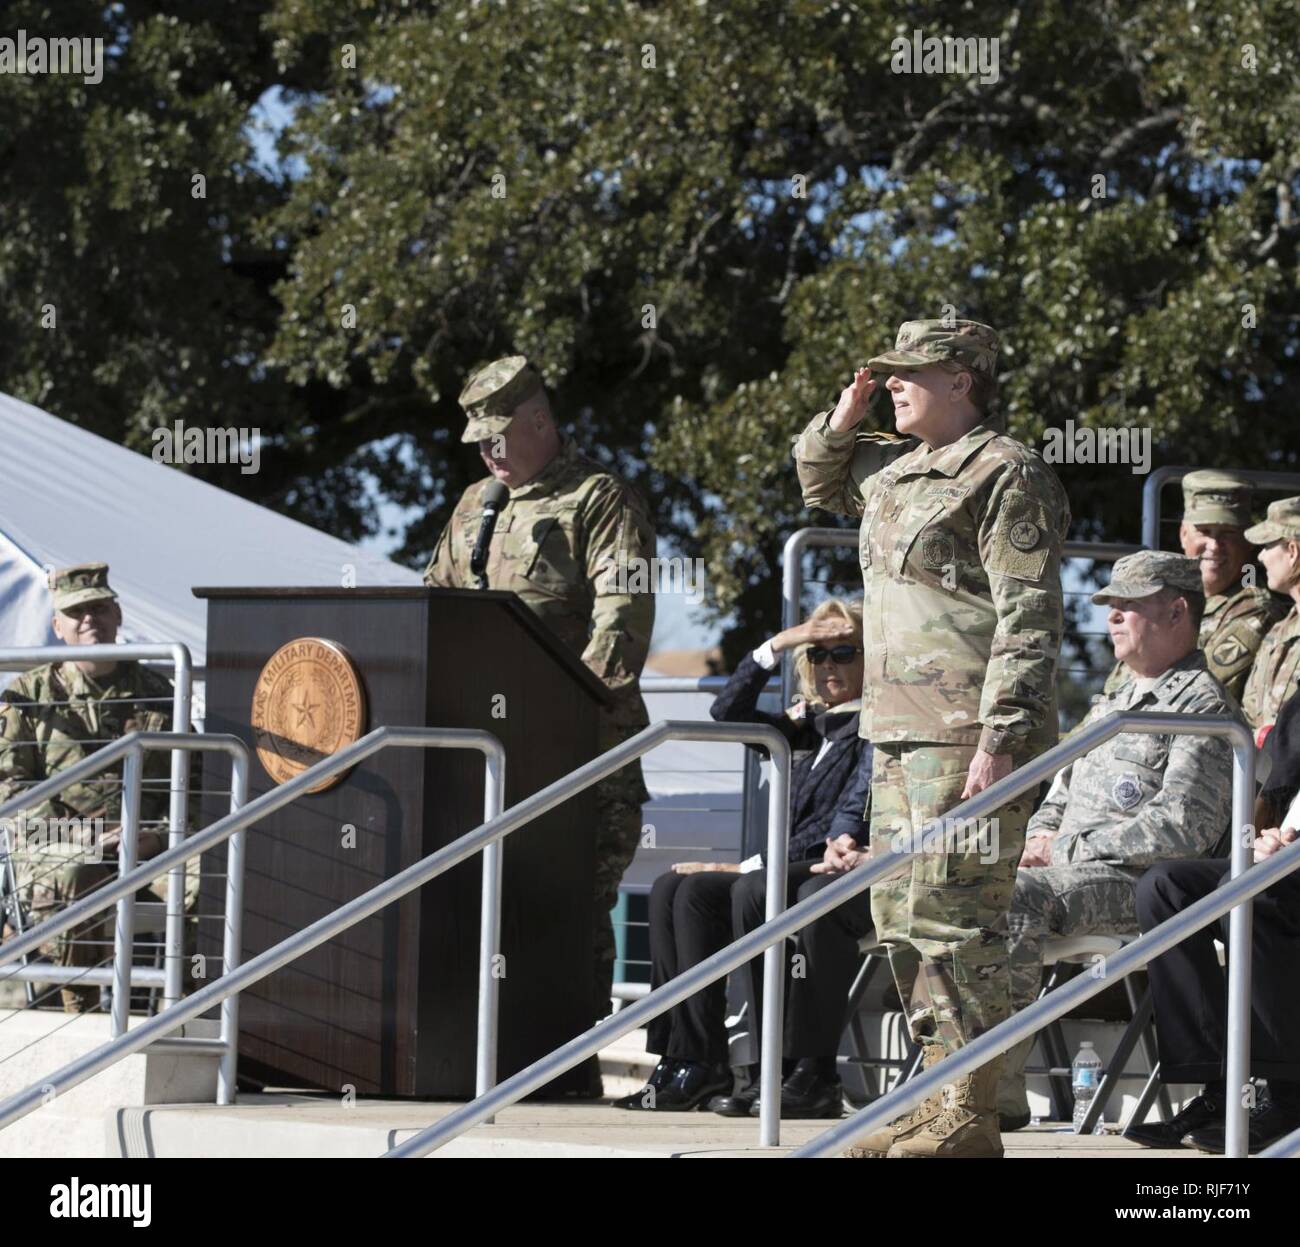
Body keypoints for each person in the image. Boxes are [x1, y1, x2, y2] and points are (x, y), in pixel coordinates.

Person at [793, 318, 1069, 1158]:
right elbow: (816, 484)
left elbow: (1029, 616)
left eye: (915, 371)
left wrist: (1002, 736)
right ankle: (941, 1096)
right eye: (889, 372)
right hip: (897, 735)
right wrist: (844, 417)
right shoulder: (896, 474)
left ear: (964, 380)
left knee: (958, 917)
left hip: (965, 735)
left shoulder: (1004, 469)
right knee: (900, 915)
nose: (894, 382)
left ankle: (971, 1109)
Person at [423, 355, 657, 1078]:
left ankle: (568, 1063)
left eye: (499, 435)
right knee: (486, 907)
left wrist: (560, 716)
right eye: (479, 441)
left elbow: (622, 622)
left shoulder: (599, 499)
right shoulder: (472, 505)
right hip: (483, 756)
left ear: (539, 421)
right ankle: (478, 1057)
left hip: (578, 752)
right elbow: (431, 609)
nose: (489, 452)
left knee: (571, 913)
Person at [996, 552, 1238, 1123]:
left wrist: (1067, 849)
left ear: (1178, 611)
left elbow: (1185, 830)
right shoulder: (1114, 700)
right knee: (954, 887)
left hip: (1137, 887)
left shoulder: (1203, 709)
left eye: (1130, 605)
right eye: (1110, 605)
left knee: (1015, 896)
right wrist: (1040, 835)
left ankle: (990, 1089)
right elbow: (1058, 792)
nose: (1113, 616)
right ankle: (947, 1071)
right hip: (1065, 869)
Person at [613, 597, 872, 1115]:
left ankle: (772, 1070)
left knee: (742, 889)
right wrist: (781, 642)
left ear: (874, 658)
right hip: (785, 864)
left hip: (828, 867)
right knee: (671, 889)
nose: (829, 667)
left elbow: (834, 830)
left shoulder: (873, 726)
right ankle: (692, 1059)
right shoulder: (807, 725)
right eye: (818, 656)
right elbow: (727, 713)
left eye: (844, 653)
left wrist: (745, 866)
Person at [1126, 681, 1300, 1153]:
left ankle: (1287, 1092)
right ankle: (1220, 1087)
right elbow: (1283, 792)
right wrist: (1270, 837)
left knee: (1245, 895)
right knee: (1166, 888)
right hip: (1287, 853)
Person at [0, 564, 176, 1012]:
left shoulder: (161, 692)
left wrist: (156, 834)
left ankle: (188, 1011)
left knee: (207, 879)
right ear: (57, 625)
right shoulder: (29, 695)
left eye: (98, 607)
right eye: (76, 612)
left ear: (117, 615)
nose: (88, 620)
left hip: (150, 846)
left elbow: (193, 785)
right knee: (81, 872)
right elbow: (10, 791)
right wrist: (84, 837)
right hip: (53, 842)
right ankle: (82, 1010)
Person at [1101, 472, 1287, 701]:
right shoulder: (1163, 603)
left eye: (1227, 534)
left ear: (1247, 542)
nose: (1214, 546)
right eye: (1204, 531)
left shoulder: (1255, 611)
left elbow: (1194, 696)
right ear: (1183, 534)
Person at [1241, 497, 1300, 736]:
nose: (1260, 557)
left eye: (1267, 545)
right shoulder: (1278, 632)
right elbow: (1250, 714)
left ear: (1293, 551)